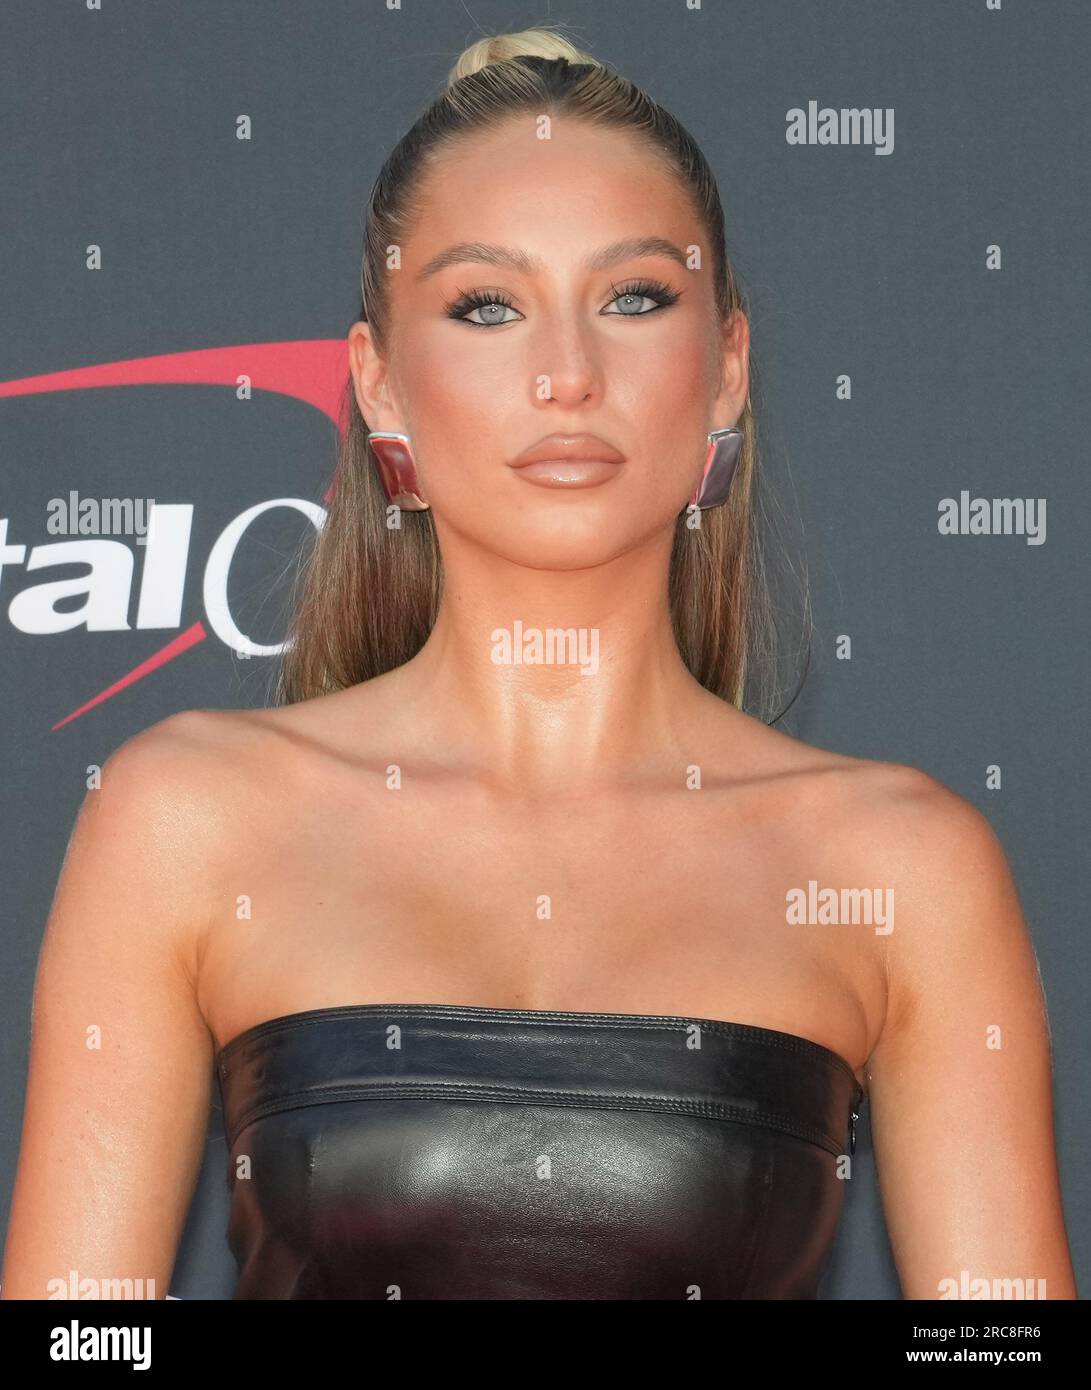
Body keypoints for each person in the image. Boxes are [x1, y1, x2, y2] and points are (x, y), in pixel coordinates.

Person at [1, 27, 1076, 1300]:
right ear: (378, 383)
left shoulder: (900, 866)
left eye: (632, 298)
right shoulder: (184, 819)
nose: (567, 374)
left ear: (725, 369)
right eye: (485, 306)